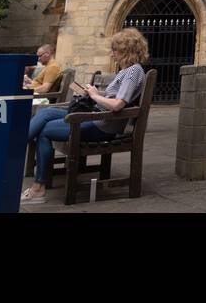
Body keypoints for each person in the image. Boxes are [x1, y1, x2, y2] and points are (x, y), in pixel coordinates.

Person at [21, 28, 149, 204]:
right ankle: (18, 152)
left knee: (44, 131)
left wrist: (96, 96)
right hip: (96, 115)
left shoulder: (133, 72)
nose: (112, 54)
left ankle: (36, 184)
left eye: (115, 50)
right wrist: (93, 93)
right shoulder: (125, 71)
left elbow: (118, 104)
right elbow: (112, 98)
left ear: (127, 50)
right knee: (45, 113)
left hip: (102, 124)